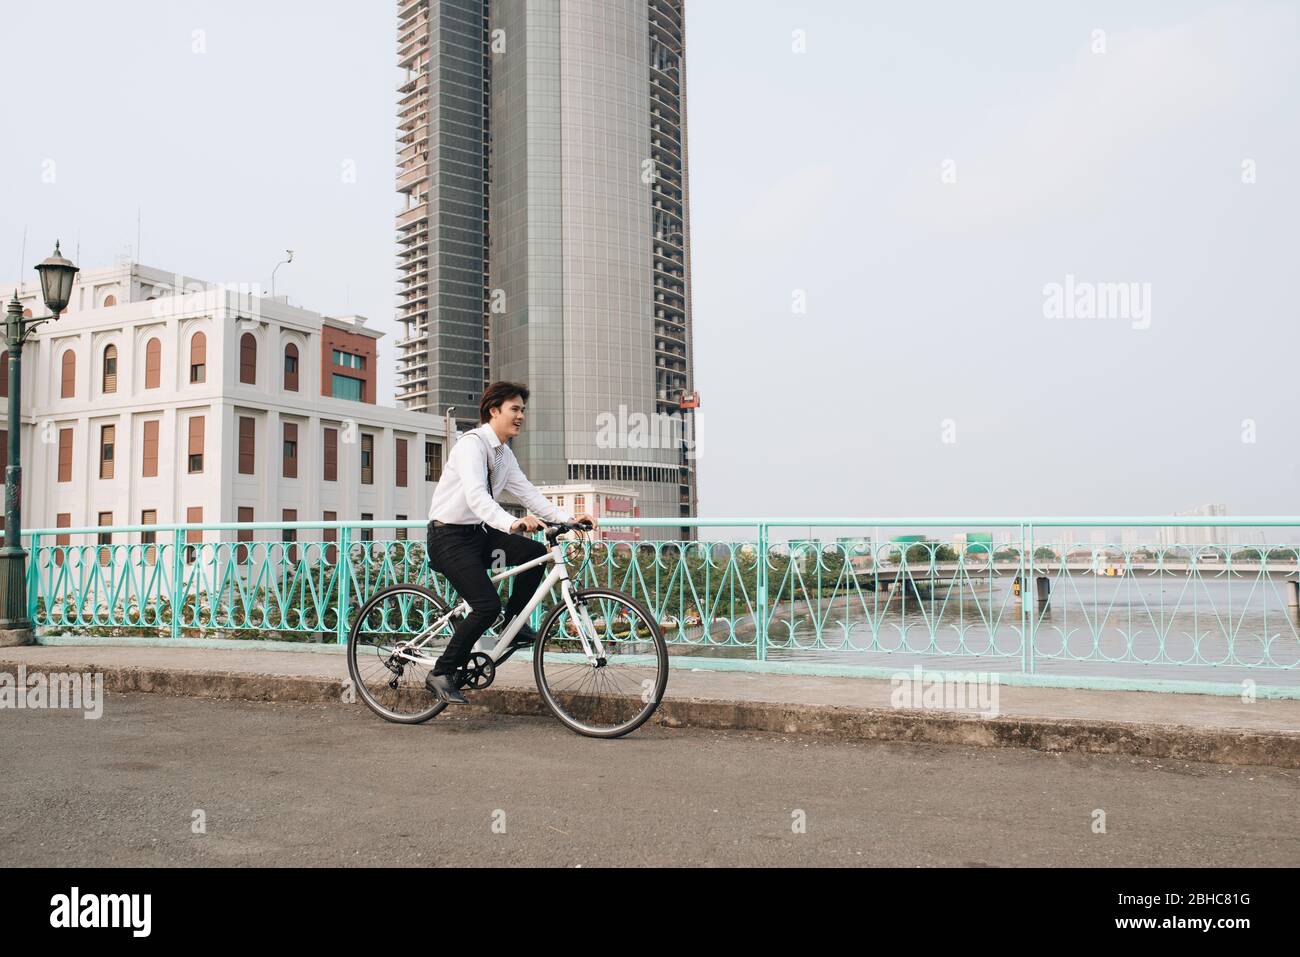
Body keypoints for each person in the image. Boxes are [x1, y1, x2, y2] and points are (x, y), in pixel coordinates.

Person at [424, 381, 598, 703]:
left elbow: (528, 493)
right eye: (514, 409)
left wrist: (567, 519)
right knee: (486, 605)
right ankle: (441, 672)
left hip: (479, 535)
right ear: (494, 410)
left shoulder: (504, 453)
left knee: (534, 553)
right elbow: (477, 496)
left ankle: (513, 625)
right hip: (449, 537)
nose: (520, 416)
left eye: (523, 411)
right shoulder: (471, 446)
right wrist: (512, 522)